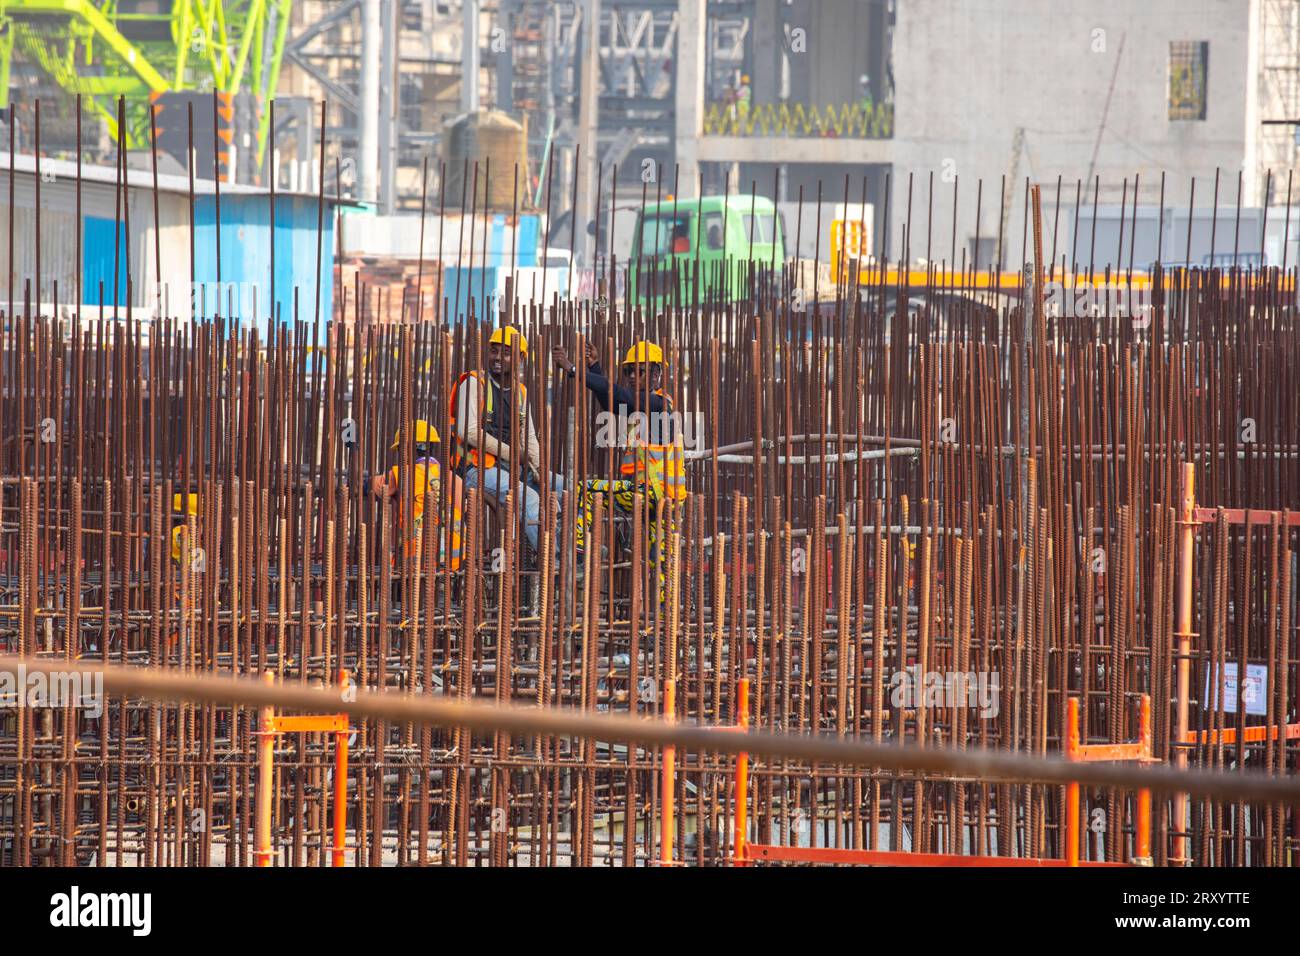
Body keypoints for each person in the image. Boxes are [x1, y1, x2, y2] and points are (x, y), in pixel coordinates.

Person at [551, 338, 687, 598]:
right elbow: (612, 403)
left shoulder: (659, 404)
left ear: (657, 373)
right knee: (658, 564)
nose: (633, 377)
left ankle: (578, 556)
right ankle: (662, 620)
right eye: (629, 371)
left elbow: (619, 394)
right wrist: (596, 368)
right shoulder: (643, 408)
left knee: (586, 489)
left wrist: (572, 369)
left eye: (641, 371)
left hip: (652, 494)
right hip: (652, 498)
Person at [451, 326, 564, 557]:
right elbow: (468, 431)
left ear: (521, 358)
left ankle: (575, 548)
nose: (498, 358)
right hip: (475, 469)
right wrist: (512, 454)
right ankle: (556, 560)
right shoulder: (474, 384)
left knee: (566, 487)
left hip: (508, 468)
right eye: (494, 351)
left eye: (506, 353)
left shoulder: (520, 393)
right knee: (529, 497)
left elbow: (529, 437)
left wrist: (541, 471)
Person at [370, 419, 463, 570]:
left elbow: (378, 488)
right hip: (456, 561)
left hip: (419, 561)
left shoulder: (402, 473)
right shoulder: (453, 477)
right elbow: (462, 511)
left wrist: (370, 480)